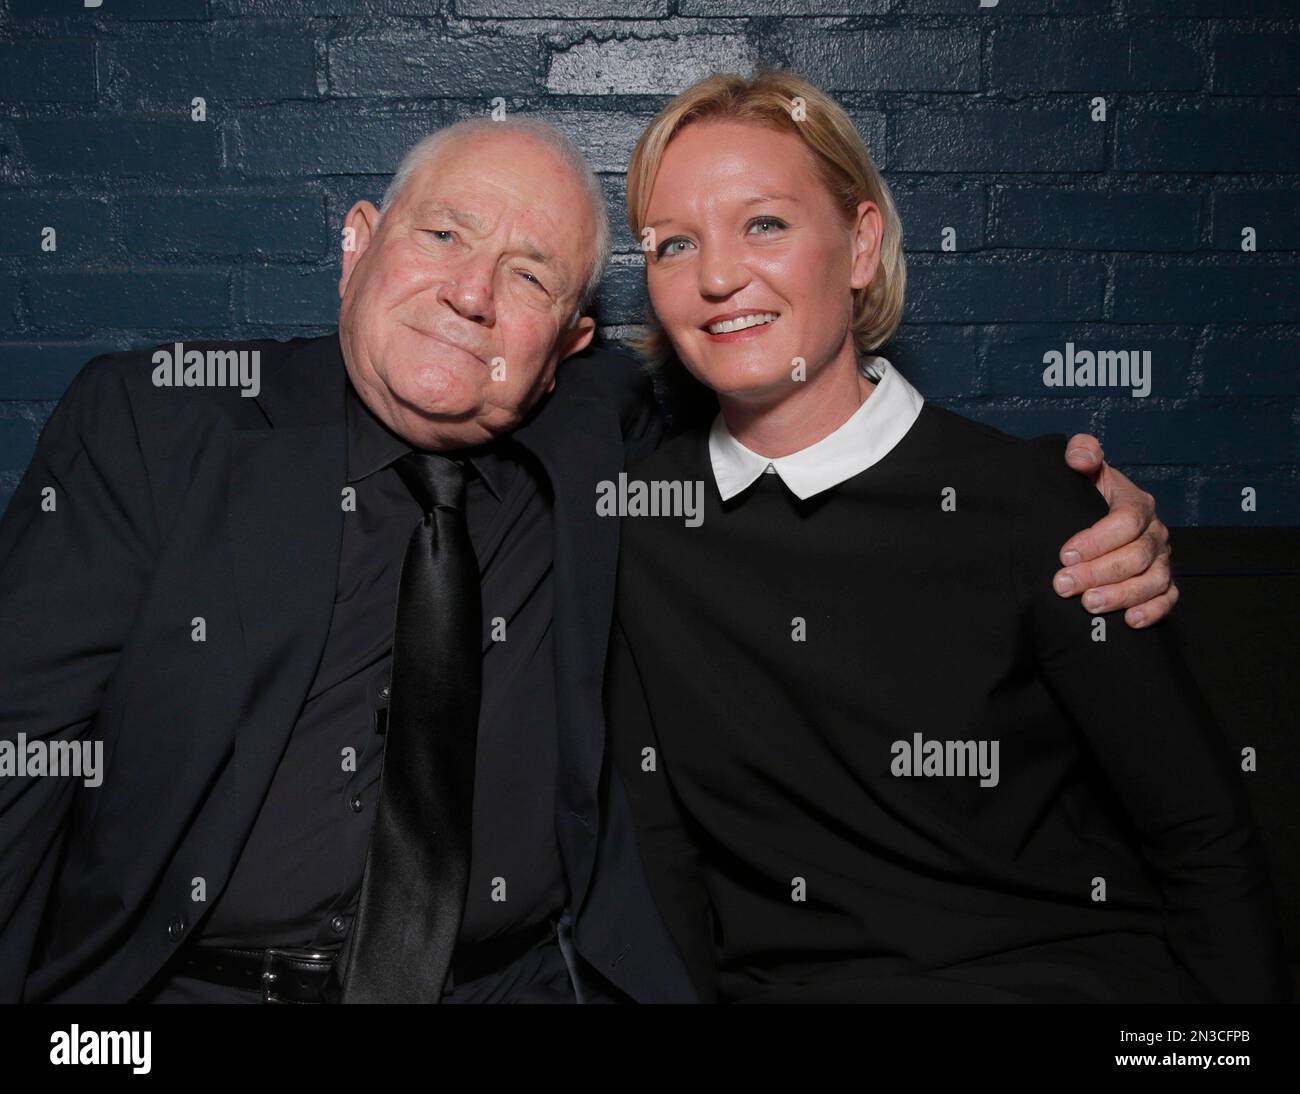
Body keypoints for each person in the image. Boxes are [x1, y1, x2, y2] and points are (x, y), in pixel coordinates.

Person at [0, 114, 1171, 1006]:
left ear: (566, 344)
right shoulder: (160, 424)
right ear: (356, 244)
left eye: (527, 276)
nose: (469, 293)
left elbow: (812, 407)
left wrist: (1070, 506)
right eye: (443, 234)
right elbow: (21, 747)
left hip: (522, 983)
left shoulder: (598, 430)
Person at [607, 71, 1289, 1005]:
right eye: (674, 243)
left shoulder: (1039, 506)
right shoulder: (636, 524)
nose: (718, 275)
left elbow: (1201, 834)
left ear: (860, 244)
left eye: (764, 223)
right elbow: (660, 857)